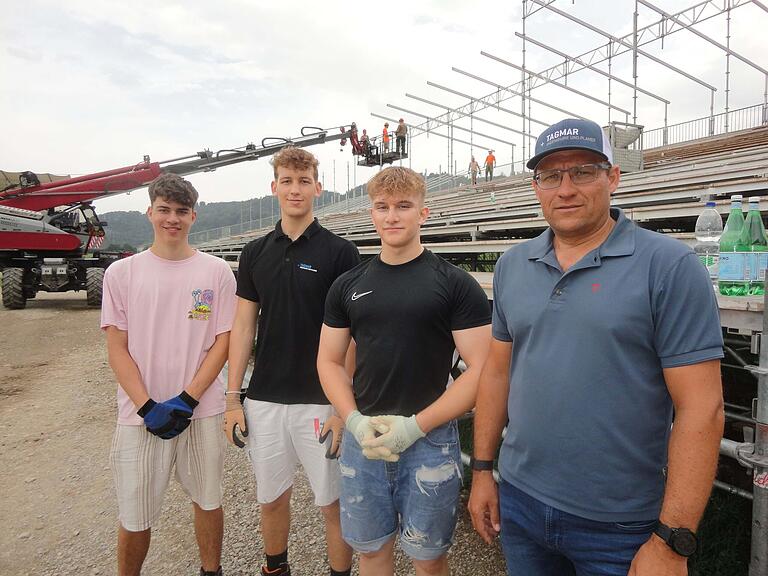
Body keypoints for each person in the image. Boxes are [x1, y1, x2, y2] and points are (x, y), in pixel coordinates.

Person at [468, 118, 725, 576]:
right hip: (521, 502)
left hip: (620, 523)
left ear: (613, 177)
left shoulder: (669, 266)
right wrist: (483, 469)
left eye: (583, 171)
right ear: (536, 187)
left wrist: (672, 540)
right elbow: (497, 372)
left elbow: (702, 408)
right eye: (551, 175)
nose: (566, 189)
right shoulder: (512, 265)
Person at [317, 166, 492, 576]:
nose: (392, 216)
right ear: (372, 213)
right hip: (366, 437)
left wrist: (416, 426)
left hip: (430, 439)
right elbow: (328, 360)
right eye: (382, 207)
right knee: (372, 552)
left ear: (423, 213)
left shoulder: (453, 283)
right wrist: (353, 419)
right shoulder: (348, 284)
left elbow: (482, 368)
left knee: (428, 559)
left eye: (403, 206)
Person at [225, 146, 360, 576]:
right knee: (270, 498)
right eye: (287, 181)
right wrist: (232, 398)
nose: (295, 189)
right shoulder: (254, 252)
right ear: (274, 187)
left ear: (318, 188)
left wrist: (342, 408)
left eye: (304, 181)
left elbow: (352, 336)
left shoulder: (341, 253)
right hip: (265, 398)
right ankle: (275, 568)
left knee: (332, 504)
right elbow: (242, 327)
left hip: (320, 399)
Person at [101, 173, 237, 576]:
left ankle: (211, 571)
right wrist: (147, 406)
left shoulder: (216, 272)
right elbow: (117, 347)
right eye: (164, 210)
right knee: (135, 513)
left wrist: (188, 398)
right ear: (149, 212)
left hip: (201, 411)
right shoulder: (122, 273)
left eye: (181, 211)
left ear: (193, 216)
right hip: (140, 415)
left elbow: (223, 341)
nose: (172, 219)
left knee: (208, 500)